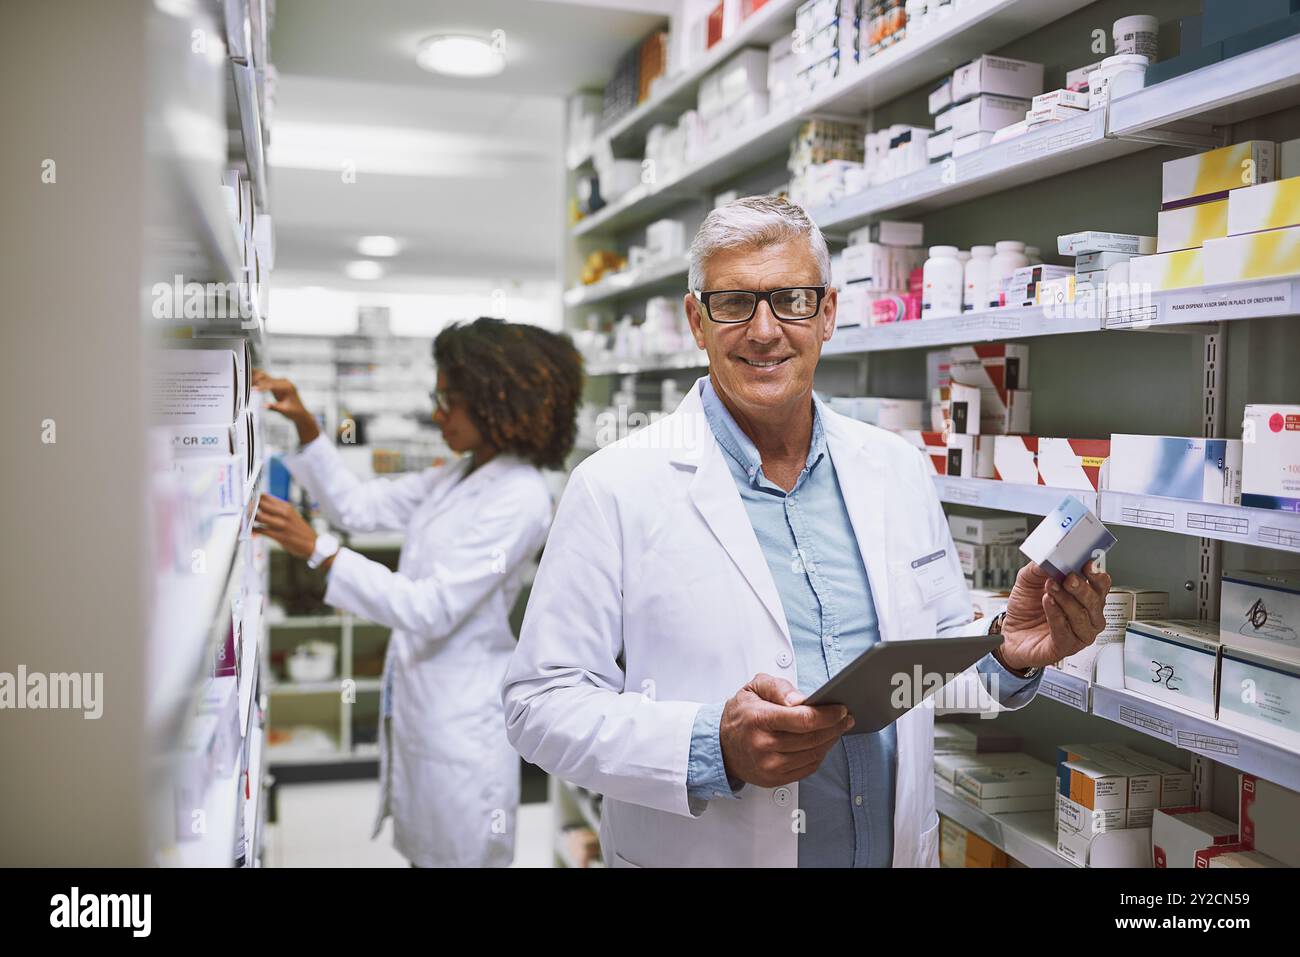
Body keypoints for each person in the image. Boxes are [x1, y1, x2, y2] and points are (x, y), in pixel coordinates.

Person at [503, 196, 1111, 868]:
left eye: (791, 298)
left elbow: (922, 670)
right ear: (695, 322)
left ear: (827, 313)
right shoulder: (612, 486)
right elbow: (540, 704)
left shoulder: (896, 468)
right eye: (733, 302)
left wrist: (1007, 651)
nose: (764, 330)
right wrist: (712, 745)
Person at [254, 317, 582, 867]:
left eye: (449, 400)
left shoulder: (519, 497)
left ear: (498, 403)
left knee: (458, 852)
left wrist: (319, 550)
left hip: (463, 719)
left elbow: (428, 608)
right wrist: (309, 430)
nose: (438, 414)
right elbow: (359, 509)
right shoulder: (460, 474)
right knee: (426, 851)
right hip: (427, 704)